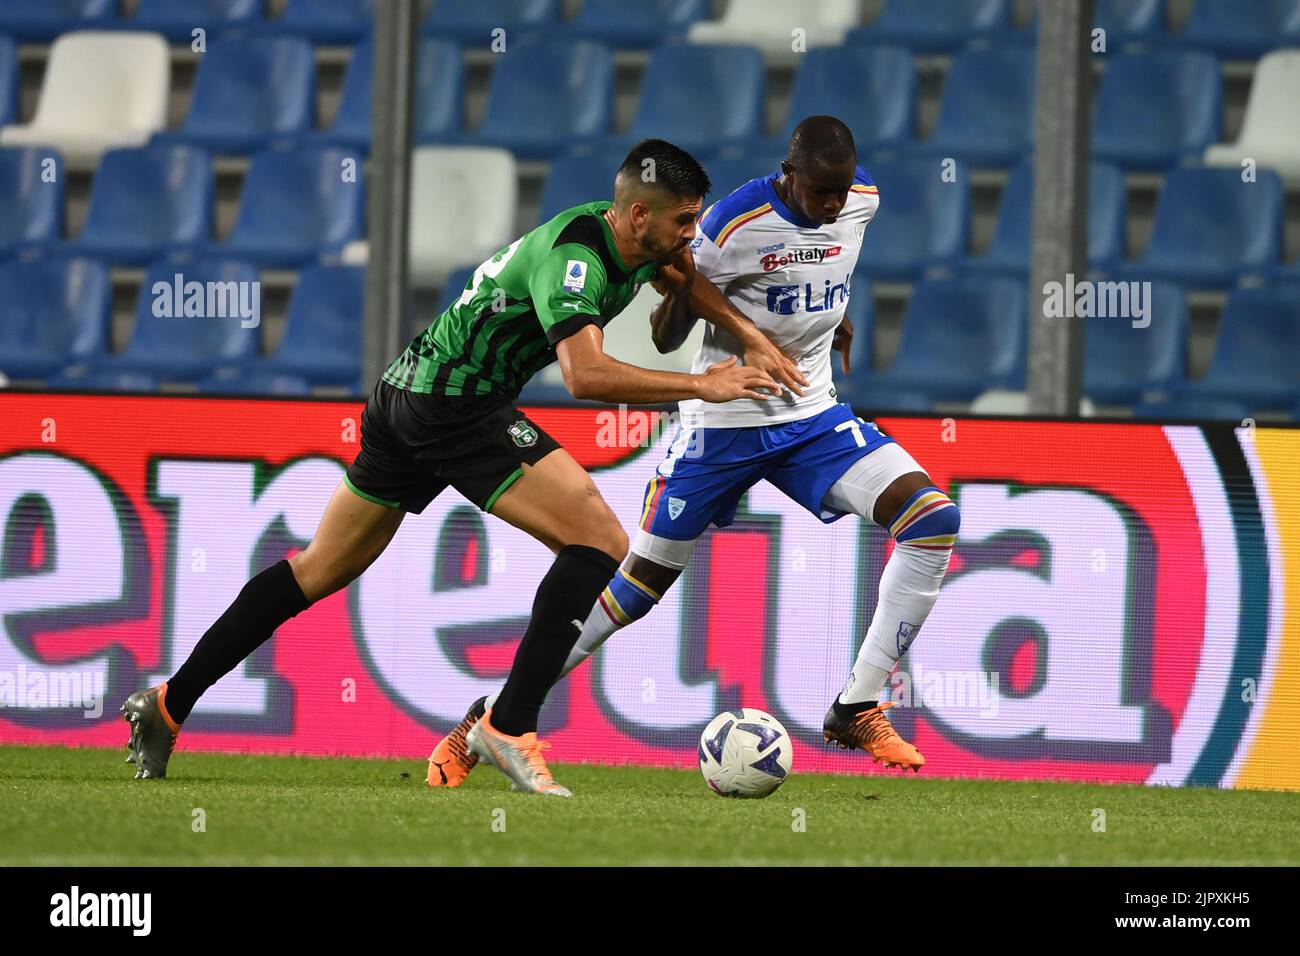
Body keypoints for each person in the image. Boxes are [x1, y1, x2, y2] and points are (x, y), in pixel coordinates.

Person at [122, 138, 809, 796]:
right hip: (454, 406)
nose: (693, 234)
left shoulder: (643, 242)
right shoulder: (579, 259)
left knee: (316, 570)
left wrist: (751, 338)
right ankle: (509, 726)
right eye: (684, 220)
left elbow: (686, 282)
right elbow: (584, 375)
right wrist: (701, 384)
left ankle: (169, 702)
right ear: (639, 216)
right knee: (599, 540)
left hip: (403, 395)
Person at [433, 116, 960, 792]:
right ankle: (491, 717)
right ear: (789, 175)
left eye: (840, 191)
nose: (833, 204)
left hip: (812, 415)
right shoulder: (731, 223)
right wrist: (707, 306)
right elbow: (664, 324)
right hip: (723, 425)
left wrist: (830, 317)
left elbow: (824, 269)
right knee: (632, 591)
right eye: (820, 192)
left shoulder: (864, 202)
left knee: (932, 520)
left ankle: (856, 706)